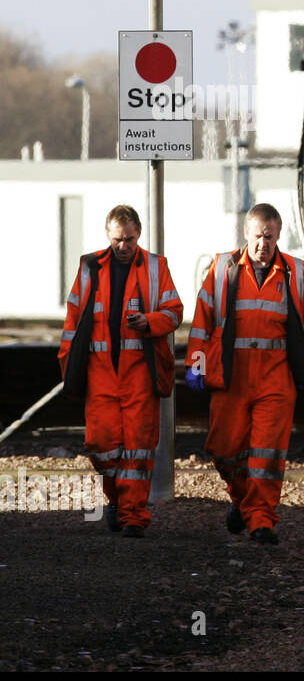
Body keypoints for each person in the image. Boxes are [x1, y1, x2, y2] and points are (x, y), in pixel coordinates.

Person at [185, 203, 304, 544]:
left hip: (275, 378)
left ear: (278, 235)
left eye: (270, 236)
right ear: (245, 234)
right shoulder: (222, 269)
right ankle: (244, 502)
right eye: (257, 236)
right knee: (223, 448)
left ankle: (262, 521)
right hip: (231, 375)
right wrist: (196, 365)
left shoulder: (295, 272)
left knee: (267, 453)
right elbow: (202, 323)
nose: (263, 243)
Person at [58, 205, 183, 537]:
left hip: (140, 372)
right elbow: (72, 320)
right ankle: (116, 500)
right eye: (117, 240)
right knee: (100, 445)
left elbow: (174, 312)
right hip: (100, 374)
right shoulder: (90, 267)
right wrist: (68, 364)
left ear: (138, 233)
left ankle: (133, 516)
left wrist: (150, 322)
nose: (123, 246)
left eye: (128, 239)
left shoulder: (156, 267)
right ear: (107, 236)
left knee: (138, 449)